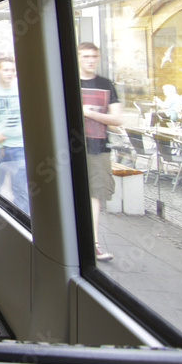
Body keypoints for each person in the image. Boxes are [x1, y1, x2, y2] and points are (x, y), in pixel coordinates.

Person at [78, 42, 122, 262]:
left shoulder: (106, 84)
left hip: (98, 146)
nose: (90, 60)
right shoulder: (69, 82)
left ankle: (92, 242)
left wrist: (89, 114)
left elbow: (116, 120)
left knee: (95, 194)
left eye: (93, 56)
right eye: (85, 56)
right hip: (71, 147)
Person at [0, 57, 28, 212]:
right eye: (5, 69)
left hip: (19, 145)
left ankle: (23, 221)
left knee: (20, 187)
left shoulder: (22, 89)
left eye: (12, 70)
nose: (9, 73)